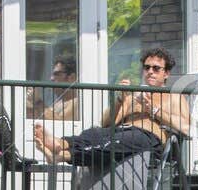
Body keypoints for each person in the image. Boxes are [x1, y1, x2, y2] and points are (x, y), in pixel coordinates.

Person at [31, 48, 189, 165]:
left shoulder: (173, 96)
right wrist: (120, 98)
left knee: (114, 142)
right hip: (122, 133)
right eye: (147, 67)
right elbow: (107, 123)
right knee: (93, 132)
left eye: (156, 68)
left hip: (149, 139)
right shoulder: (134, 94)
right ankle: (61, 144)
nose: (150, 72)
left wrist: (155, 111)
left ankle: (64, 156)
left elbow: (186, 129)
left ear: (166, 73)